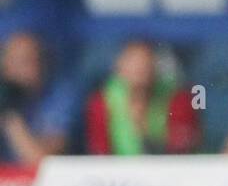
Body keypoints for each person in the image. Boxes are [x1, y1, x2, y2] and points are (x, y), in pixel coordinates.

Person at [84, 40, 199, 155]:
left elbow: (182, 150)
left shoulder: (177, 98)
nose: (140, 70)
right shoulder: (102, 101)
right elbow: (99, 153)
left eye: (145, 63)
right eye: (133, 63)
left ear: (155, 67)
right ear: (119, 67)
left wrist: (144, 128)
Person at [0, 32, 76, 165]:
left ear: (43, 63)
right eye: (13, 61)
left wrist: (9, 117)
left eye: (26, 61)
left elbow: (41, 162)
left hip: (43, 182)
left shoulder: (58, 99)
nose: (17, 69)